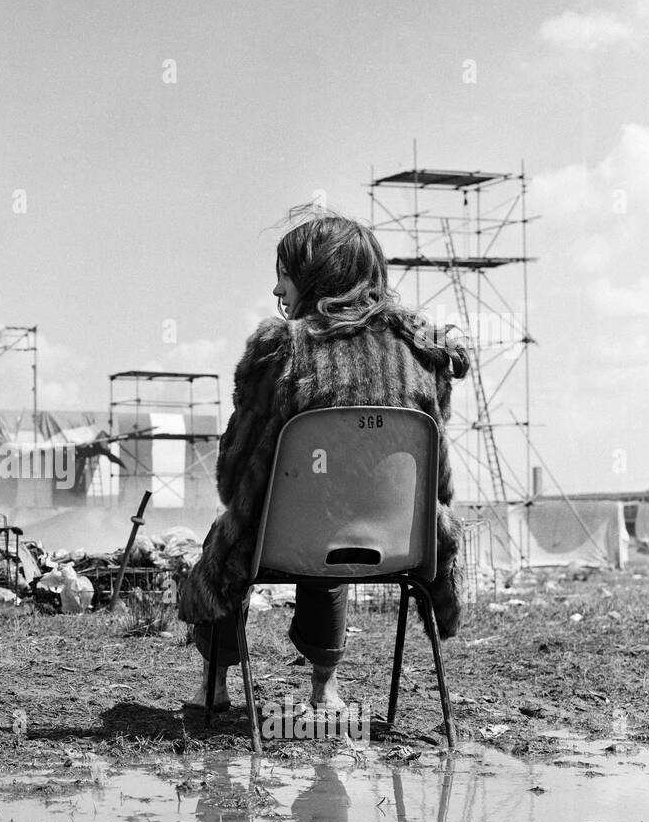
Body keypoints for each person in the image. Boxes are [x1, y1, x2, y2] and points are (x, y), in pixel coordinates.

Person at [177, 208, 469, 713]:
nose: (276, 292)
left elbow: (233, 476)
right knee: (338, 534)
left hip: (286, 539)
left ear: (313, 278)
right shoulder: (423, 351)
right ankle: (323, 688)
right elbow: (437, 478)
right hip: (400, 544)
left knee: (239, 534)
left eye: (283, 277)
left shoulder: (281, 351)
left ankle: (215, 686)